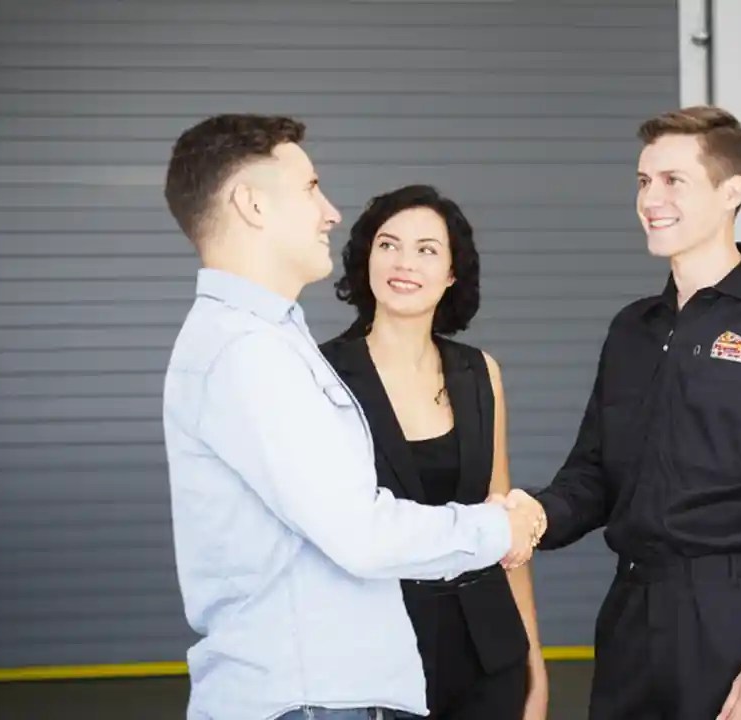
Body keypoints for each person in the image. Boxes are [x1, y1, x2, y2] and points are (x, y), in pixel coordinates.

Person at [159, 115, 545, 720]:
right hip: (308, 699)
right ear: (253, 204)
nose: (330, 213)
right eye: (310, 188)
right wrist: (501, 528)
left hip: (348, 688)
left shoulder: (268, 341)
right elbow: (360, 533)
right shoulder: (249, 352)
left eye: (427, 250)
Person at [507, 105, 741, 720]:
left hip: (737, 623)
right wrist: (533, 516)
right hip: (632, 615)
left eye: (674, 180)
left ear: (732, 192)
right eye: (644, 181)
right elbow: (593, 476)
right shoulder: (633, 330)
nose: (651, 199)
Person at [319, 184, 549, 719]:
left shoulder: (480, 372)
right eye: (388, 245)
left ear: (451, 274)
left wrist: (534, 662)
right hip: (375, 658)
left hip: (489, 652)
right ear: (366, 259)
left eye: (426, 249)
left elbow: (505, 528)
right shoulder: (322, 375)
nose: (404, 263)